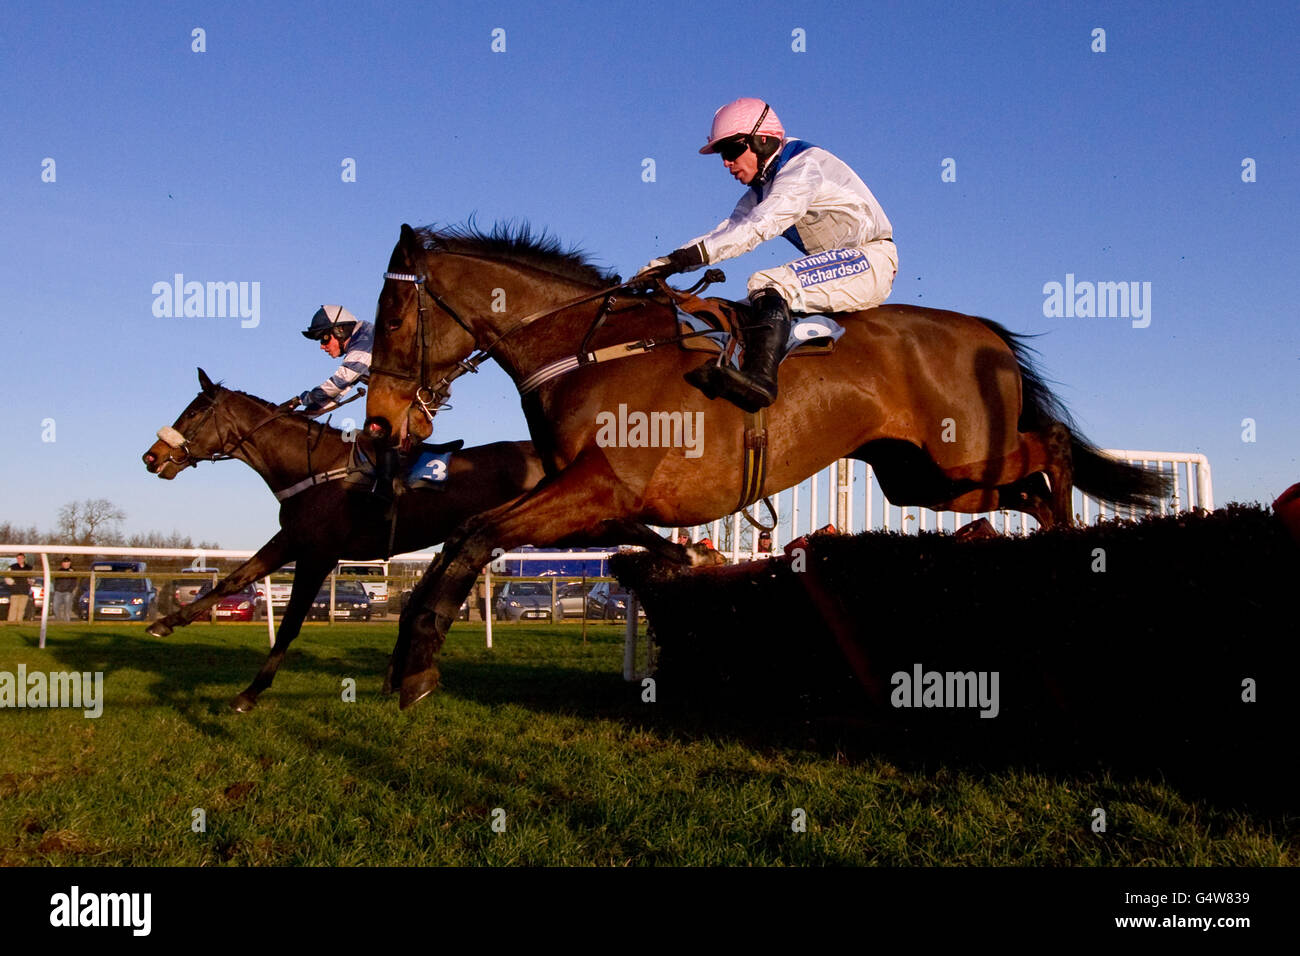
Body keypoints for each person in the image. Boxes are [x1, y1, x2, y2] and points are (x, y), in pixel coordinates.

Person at [638, 98, 897, 413]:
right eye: (722, 155)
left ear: (761, 141)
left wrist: (681, 262)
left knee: (767, 283)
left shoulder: (803, 167)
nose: (726, 163)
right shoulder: (761, 189)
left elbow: (759, 227)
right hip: (844, 264)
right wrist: (661, 265)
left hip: (869, 261)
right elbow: (726, 232)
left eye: (732, 151)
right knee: (739, 310)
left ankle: (761, 381)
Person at [297, 305, 373, 413]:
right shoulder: (359, 339)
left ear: (340, 331)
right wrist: (305, 416)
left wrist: (302, 399)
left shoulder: (365, 339)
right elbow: (336, 393)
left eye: (324, 339)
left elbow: (338, 384)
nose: (322, 346)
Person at [5, 553, 32, 623]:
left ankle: (19, 622)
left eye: (21, 558)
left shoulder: (29, 567)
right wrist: (12, 583)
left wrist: (29, 582)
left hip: (25, 590)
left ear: (24, 559)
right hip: (15, 590)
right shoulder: (12, 567)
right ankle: (11, 622)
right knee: (13, 607)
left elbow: (32, 578)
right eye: (18, 558)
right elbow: (7, 577)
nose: (19, 560)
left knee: (21, 608)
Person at [52, 557, 78, 622]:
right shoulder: (59, 571)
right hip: (58, 592)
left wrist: (70, 590)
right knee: (55, 606)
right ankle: (58, 620)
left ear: (69, 563)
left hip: (67, 592)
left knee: (67, 608)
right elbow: (56, 580)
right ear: (62, 563)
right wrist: (56, 589)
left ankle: (66, 622)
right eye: (64, 562)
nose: (65, 564)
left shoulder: (73, 571)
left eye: (67, 562)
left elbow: (74, 582)